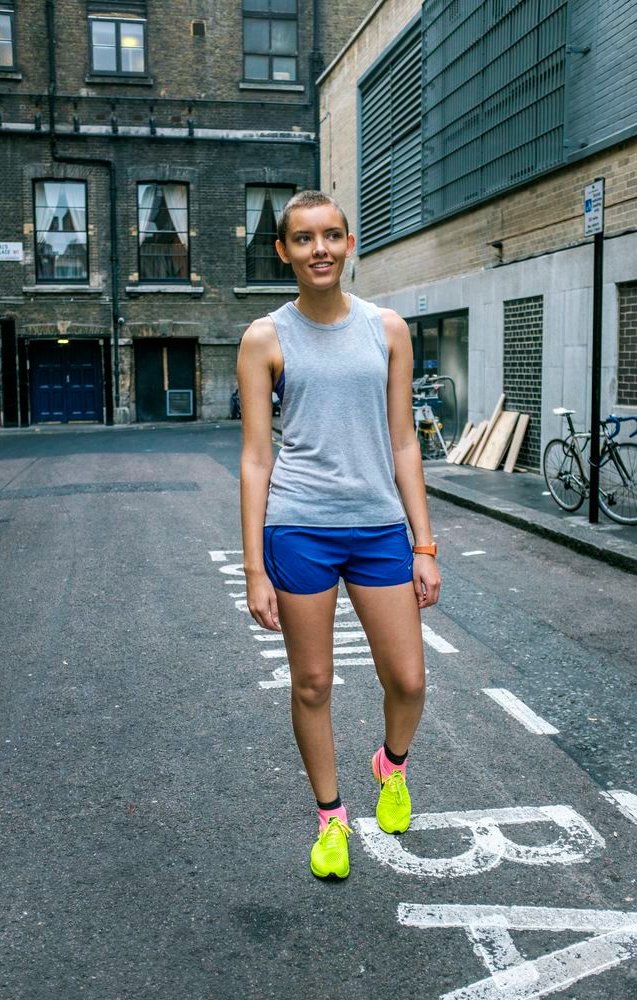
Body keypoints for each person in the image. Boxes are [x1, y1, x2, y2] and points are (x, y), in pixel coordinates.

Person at [237, 190, 441, 880]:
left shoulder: (386, 329)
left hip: (379, 526)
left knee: (408, 681)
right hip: (298, 528)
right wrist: (254, 568)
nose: (318, 249)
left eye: (330, 236)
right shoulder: (264, 338)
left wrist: (423, 543)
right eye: (302, 239)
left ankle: (392, 763)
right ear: (283, 252)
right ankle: (330, 817)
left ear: (349, 244)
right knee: (313, 682)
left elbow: (403, 441)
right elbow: (256, 457)